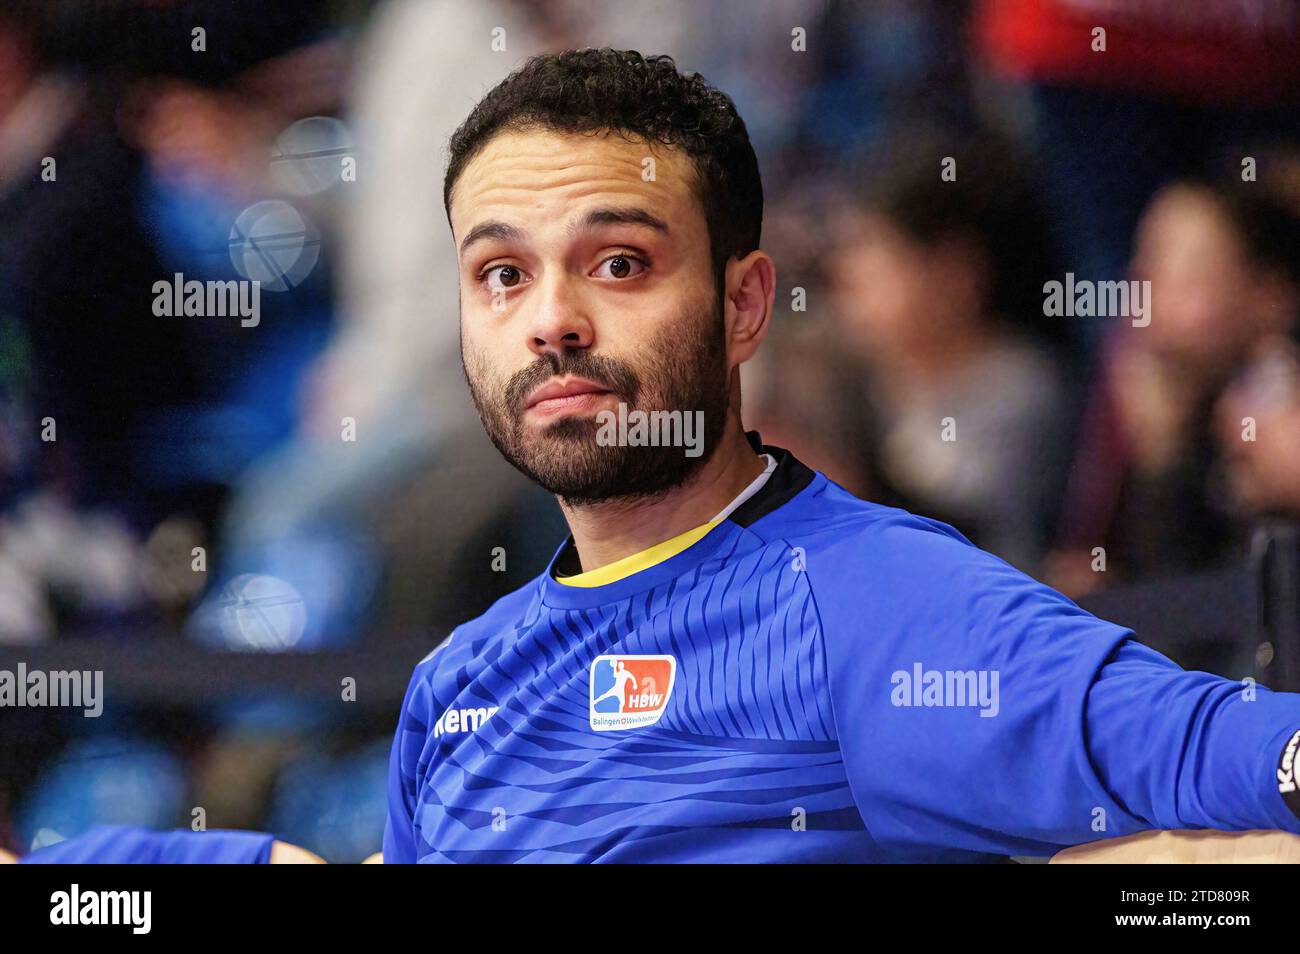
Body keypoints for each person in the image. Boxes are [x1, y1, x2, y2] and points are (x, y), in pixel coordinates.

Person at [382, 49, 1300, 863]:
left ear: (743, 306)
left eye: (619, 262)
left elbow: (1234, 751)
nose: (550, 322)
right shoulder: (455, 686)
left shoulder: (873, 606)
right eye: (501, 274)